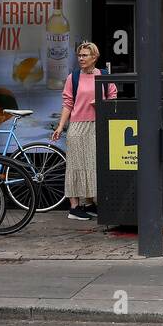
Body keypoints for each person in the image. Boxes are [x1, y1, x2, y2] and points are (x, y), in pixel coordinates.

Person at [54, 42, 117, 221]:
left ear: (94, 57)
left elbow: (113, 97)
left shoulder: (104, 76)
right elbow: (67, 104)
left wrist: (102, 105)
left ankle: (89, 204)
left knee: (93, 165)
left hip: (98, 125)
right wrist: (60, 126)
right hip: (78, 126)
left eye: (85, 55)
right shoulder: (73, 78)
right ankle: (74, 207)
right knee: (75, 165)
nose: (81, 58)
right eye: (79, 55)